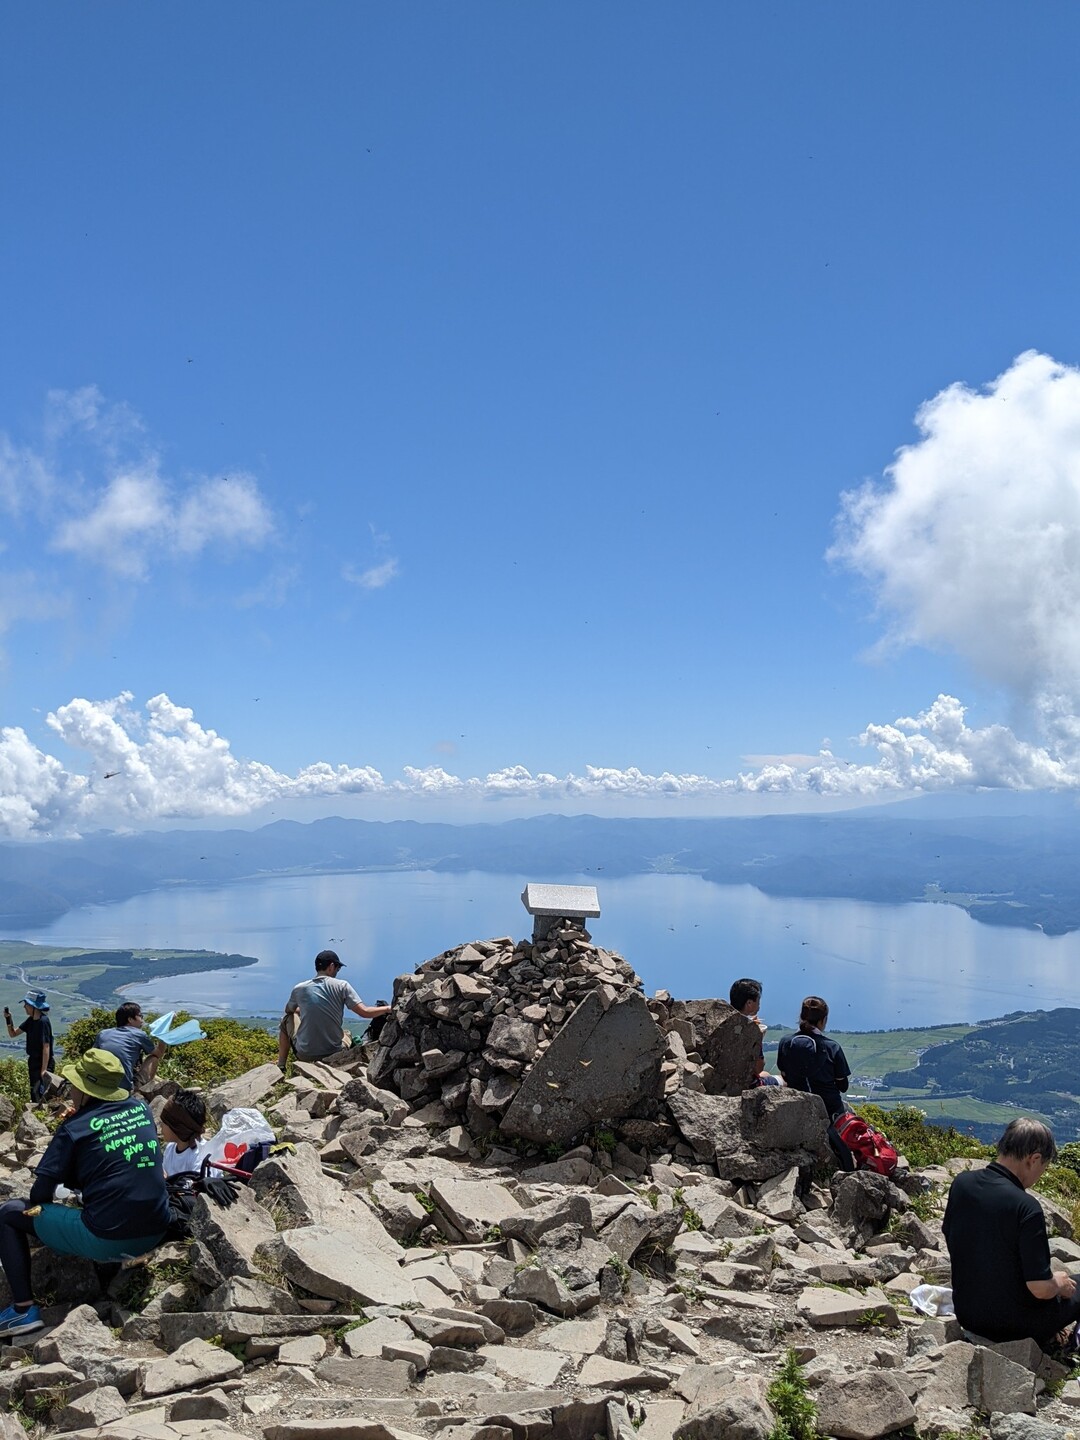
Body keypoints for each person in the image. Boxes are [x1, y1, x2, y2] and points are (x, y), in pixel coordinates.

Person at [0, 1048, 170, 1337]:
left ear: (85, 1089)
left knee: (9, 1213)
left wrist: (49, 1229)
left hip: (109, 1239)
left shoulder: (74, 1128)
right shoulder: (140, 1108)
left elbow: (41, 1196)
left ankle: (22, 1310)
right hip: (157, 1229)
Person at [943, 1117, 1080, 1348]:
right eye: (1043, 1168)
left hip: (968, 1315)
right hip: (1015, 1327)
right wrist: (1058, 1283)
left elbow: (951, 1235)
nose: (1039, 1176)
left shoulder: (962, 1183)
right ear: (1034, 1159)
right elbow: (1040, 1288)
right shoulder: (1026, 1207)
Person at [277, 949, 392, 1066]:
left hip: (304, 1054)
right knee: (346, 1033)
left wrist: (305, 1009)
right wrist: (388, 1008)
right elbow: (365, 1012)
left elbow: (288, 1010)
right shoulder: (342, 986)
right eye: (338, 968)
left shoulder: (299, 988)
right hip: (334, 1053)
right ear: (331, 966)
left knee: (286, 1019)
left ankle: (281, 1065)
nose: (337, 971)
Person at [95, 1002, 166, 1092]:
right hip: (123, 1087)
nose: (142, 1021)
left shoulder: (103, 1033)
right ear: (130, 1019)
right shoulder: (139, 1034)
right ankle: (143, 1092)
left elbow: (92, 1055)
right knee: (154, 1058)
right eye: (140, 1016)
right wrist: (163, 1035)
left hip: (98, 1084)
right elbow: (159, 1053)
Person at [729, 978, 779, 1087]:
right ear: (749, 1003)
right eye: (758, 1001)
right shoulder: (751, 1032)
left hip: (724, 1079)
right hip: (745, 1084)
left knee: (766, 1074)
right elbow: (758, 1068)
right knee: (779, 1081)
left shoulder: (726, 1022)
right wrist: (759, 1038)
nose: (759, 1005)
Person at [4, 992, 52, 1102]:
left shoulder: (43, 1022)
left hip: (43, 1063)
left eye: (26, 1004)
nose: (24, 1006)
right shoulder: (30, 1021)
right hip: (33, 1062)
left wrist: (44, 1070)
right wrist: (8, 1019)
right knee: (34, 1093)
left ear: (33, 1006)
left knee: (40, 1094)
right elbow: (13, 1033)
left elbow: (46, 1046)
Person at [160, 1089, 211, 1178]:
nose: (161, 1125)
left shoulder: (201, 1157)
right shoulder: (170, 1148)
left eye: (164, 1122)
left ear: (177, 1127)